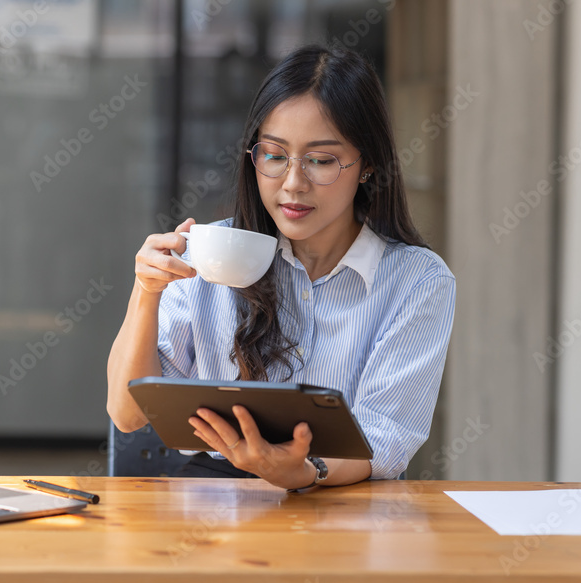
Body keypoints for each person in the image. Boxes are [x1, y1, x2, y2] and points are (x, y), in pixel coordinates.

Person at [107, 44, 455, 490]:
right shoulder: (207, 253)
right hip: (212, 501)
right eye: (273, 155)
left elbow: (385, 434)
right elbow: (127, 412)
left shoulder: (417, 281)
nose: (293, 184)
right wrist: (145, 293)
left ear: (367, 165)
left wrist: (308, 472)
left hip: (344, 500)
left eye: (322, 160)